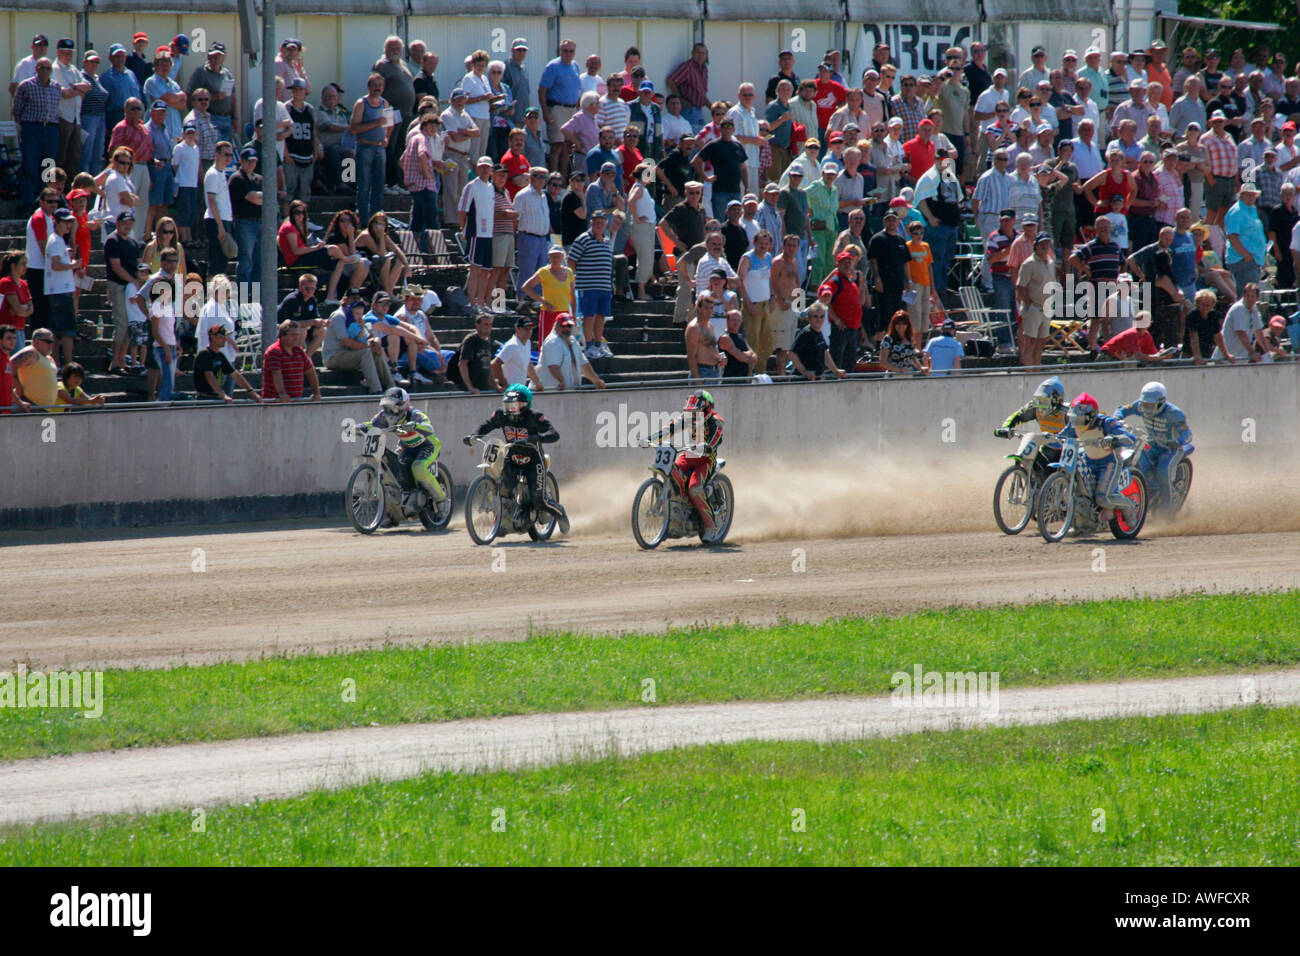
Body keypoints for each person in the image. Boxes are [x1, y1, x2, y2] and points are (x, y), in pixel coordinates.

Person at [463, 384, 569, 534]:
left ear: (525, 405)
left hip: (533, 462)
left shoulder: (535, 417)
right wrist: (474, 435)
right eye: (507, 405)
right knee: (504, 489)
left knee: (540, 502)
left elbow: (554, 434)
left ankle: (560, 512)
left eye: (514, 405)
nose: (510, 409)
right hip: (511, 458)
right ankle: (506, 520)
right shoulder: (500, 415)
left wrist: (537, 438)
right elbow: (486, 425)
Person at [645, 389, 724, 540]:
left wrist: (708, 446)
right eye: (691, 412)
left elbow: (716, 438)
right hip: (689, 455)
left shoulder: (716, 421)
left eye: (696, 412)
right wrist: (651, 438)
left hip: (706, 459)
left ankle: (710, 526)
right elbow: (670, 428)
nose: (692, 416)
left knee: (694, 488)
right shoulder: (687, 418)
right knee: (671, 473)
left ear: (707, 410)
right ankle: (673, 518)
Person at [1057, 392, 1140, 523]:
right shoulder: (1074, 425)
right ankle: (1080, 522)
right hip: (1088, 460)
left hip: (1108, 463)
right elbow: (1060, 437)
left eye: (1080, 418)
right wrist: (1047, 438)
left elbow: (1130, 439)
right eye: (1074, 418)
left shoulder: (1106, 423)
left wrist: (1112, 438)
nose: (1076, 422)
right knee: (1073, 489)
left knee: (1102, 498)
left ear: (1091, 415)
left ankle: (1129, 506)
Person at [358, 386, 447, 507]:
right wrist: (359, 427)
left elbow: (428, 428)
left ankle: (442, 500)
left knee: (418, 468)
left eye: (393, 407)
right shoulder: (383, 416)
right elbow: (372, 425)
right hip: (406, 447)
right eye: (386, 407)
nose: (389, 411)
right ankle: (394, 513)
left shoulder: (415, 414)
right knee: (396, 474)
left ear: (403, 405)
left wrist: (415, 425)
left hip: (427, 446)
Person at [1114, 381, 1193, 514]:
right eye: (1145, 404)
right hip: (1152, 444)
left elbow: (1187, 434)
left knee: (1163, 470)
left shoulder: (1174, 413)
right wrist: (1117, 418)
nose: (1146, 409)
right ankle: (1145, 493)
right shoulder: (1139, 406)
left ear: (1161, 402)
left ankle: (1167, 512)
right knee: (1137, 463)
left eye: (1150, 405)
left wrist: (1177, 442)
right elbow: (1122, 409)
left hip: (1169, 449)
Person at [994, 376, 1067, 467]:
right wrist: (1005, 428)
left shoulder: (1067, 412)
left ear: (1056, 400)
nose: (1040, 405)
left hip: (1064, 453)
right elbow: (1017, 417)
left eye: (1044, 401)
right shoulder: (1034, 407)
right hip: (1045, 448)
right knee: (1029, 457)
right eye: (1039, 400)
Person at [193, 323, 260, 403]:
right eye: (221, 337)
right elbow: (209, 376)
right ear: (213, 337)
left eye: (225, 337)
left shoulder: (220, 355)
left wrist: (251, 391)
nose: (225, 340)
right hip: (205, 399)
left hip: (217, 398)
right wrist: (223, 395)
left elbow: (234, 374)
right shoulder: (204, 354)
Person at [538, 312, 605, 390]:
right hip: (550, 392)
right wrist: (562, 381)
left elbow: (584, 364)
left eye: (569, 326)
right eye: (563, 326)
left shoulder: (573, 341)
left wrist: (597, 381)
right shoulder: (552, 342)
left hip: (569, 392)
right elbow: (553, 366)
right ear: (555, 326)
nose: (567, 328)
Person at [262, 319, 321, 402]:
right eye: (293, 335)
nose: (296, 338)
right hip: (275, 402)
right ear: (282, 335)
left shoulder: (299, 351)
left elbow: (310, 371)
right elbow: (276, 374)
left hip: (295, 401)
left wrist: (316, 393)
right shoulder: (274, 351)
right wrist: (282, 394)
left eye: (298, 335)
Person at [789, 301, 846, 379]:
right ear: (809, 318)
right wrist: (804, 372)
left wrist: (836, 370)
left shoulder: (819, 332)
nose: (819, 320)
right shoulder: (806, 333)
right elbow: (791, 353)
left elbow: (825, 353)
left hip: (817, 379)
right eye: (815, 316)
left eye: (822, 316)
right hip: (803, 381)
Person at [1211, 283, 1266, 362]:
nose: (1249, 299)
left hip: (1240, 360)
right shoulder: (1239, 308)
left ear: (1257, 298)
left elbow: (1259, 333)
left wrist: (1267, 353)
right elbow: (1241, 333)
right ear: (1243, 295)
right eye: (1247, 296)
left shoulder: (1254, 310)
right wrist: (1252, 353)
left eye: (1252, 296)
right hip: (1224, 359)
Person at [9, 328, 60, 409]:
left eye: (52, 342)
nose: (51, 345)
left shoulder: (48, 357)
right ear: (37, 341)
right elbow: (9, 365)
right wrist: (17, 386)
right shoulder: (31, 352)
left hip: (44, 408)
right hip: (30, 405)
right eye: (48, 342)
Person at [878, 309, 924, 374]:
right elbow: (883, 362)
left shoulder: (910, 339)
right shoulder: (888, 339)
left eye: (904, 323)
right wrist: (899, 370)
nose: (901, 326)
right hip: (893, 376)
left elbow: (912, 358)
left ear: (908, 325)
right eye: (898, 323)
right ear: (894, 325)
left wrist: (921, 368)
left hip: (908, 375)